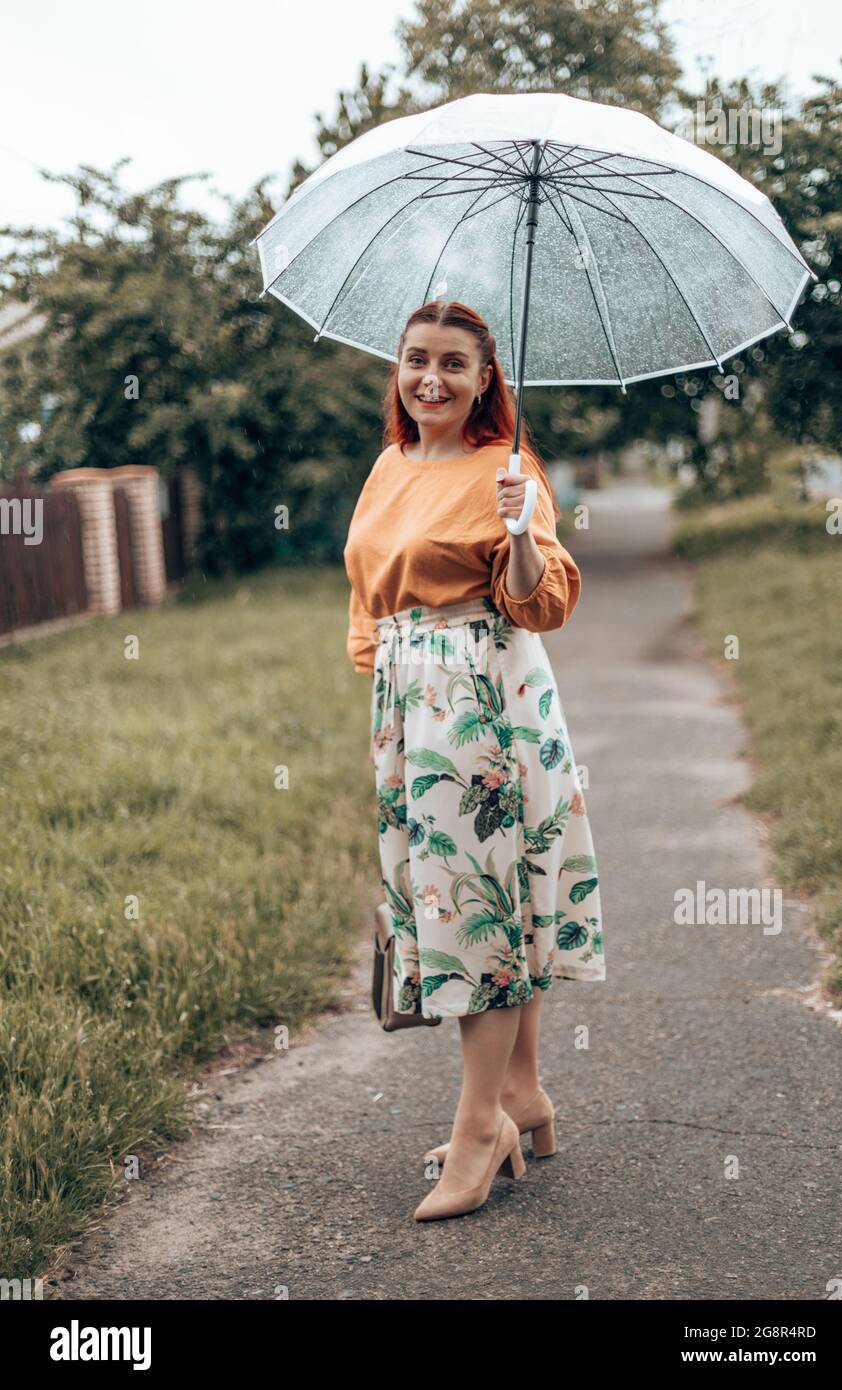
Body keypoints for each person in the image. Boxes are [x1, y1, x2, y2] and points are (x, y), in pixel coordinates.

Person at [343, 300, 605, 1222]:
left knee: (477, 910)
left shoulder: (509, 468)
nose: (432, 379)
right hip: (410, 706)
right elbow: (369, 603)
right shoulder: (387, 465)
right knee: (475, 891)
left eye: (455, 364)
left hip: (482, 698)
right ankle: (523, 1094)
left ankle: (478, 1128)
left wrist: (525, 530)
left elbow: (541, 606)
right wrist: (390, 697)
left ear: (486, 378)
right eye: (417, 360)